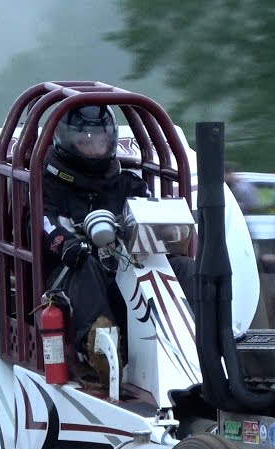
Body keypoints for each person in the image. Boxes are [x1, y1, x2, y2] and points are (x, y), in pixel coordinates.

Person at [41, 104, 198, 376]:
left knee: (185, 266)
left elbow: (152, 219)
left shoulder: (128, 183)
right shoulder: (47, 185)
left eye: (101, 140)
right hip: (71, 277)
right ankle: (98, 352)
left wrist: (166, 233)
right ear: (65, 140)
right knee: (85, 263)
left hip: (126, 271)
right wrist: (64, 242)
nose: (94, 148)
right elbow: (43, 223)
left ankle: (205, 338)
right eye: (84, 140)